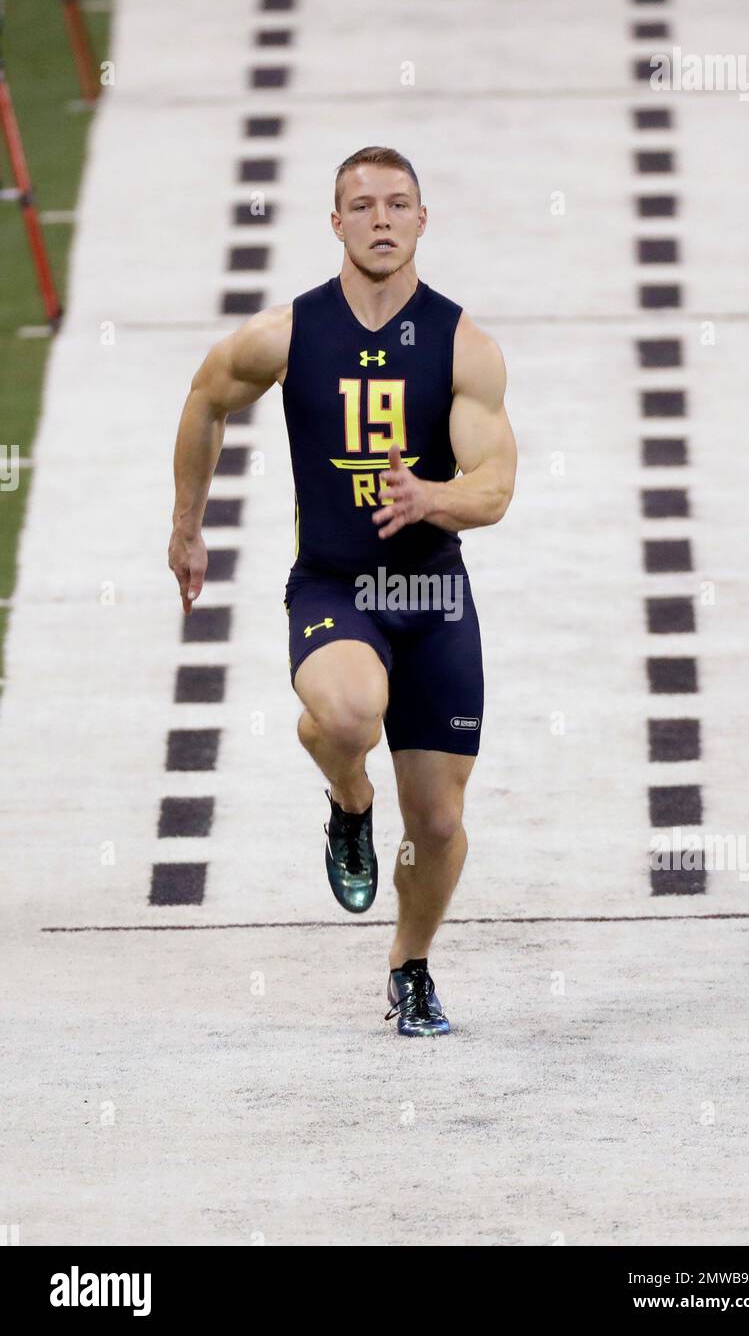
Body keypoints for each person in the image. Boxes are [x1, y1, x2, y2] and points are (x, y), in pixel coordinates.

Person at [168, 146, 516, 1036]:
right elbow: (206, 399)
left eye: (399, 204)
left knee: (437, 824)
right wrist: (187, 525)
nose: (382, 220)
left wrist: (431, 496)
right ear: (335, 224)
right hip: (336, 587)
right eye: (362, 206)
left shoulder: (462, 345)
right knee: (352, 712)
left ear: (423, 219)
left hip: (434, 597)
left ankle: (410, 964)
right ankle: (351, 801)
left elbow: (498, 485)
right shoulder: (290, 334)